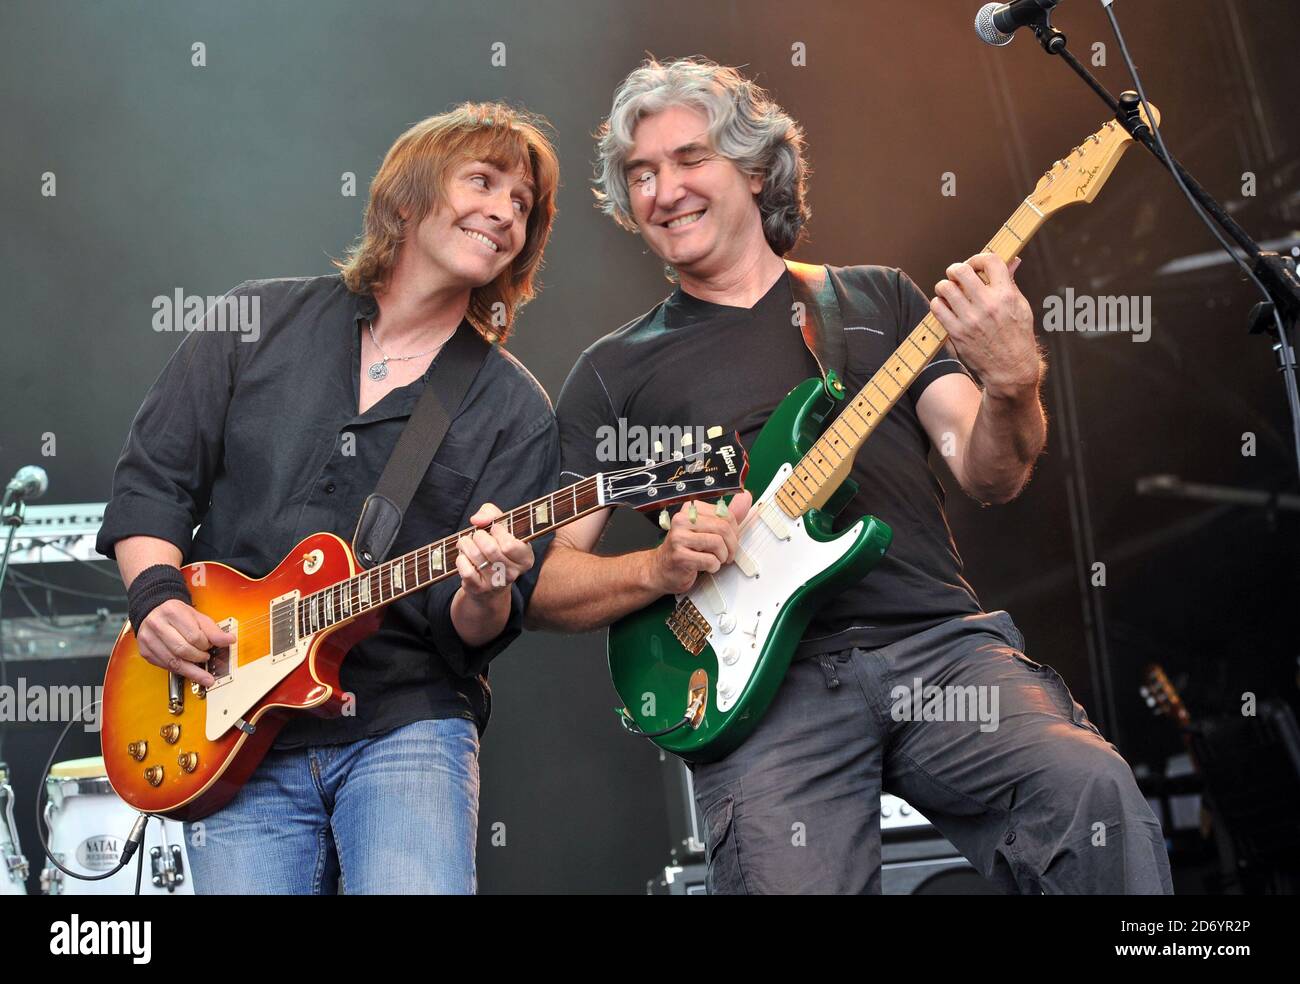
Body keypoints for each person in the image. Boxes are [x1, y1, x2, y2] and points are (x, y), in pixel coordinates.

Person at [527, 58, 1172, 894]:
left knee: (1089, 793)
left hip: (936, 650)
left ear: (756, 171)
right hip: (765, 689)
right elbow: (545, 585)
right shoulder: (613, 371)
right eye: (640, 174)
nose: (662, 190)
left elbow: (991, 472)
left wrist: (1014, 381)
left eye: (690, 160)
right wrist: (656, 567)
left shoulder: (878, 303)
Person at [96, 103, 562, 894]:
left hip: (404, 723)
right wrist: (156, 596)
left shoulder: (513, 409)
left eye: (522, 204)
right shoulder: (258, 323)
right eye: (482, 182)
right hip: (228, 724)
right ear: (408, 196)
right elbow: (153, 479)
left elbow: (477, 632)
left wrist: (486, 586)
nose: (504, 212)